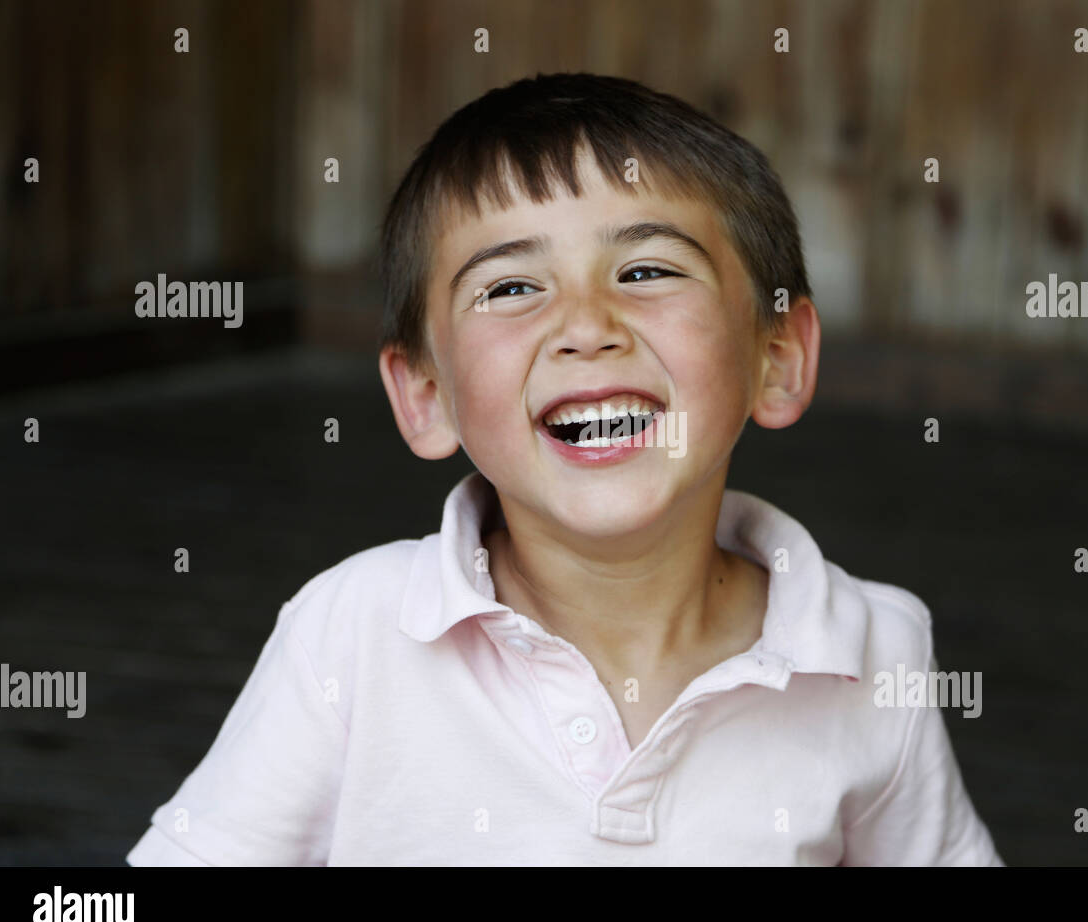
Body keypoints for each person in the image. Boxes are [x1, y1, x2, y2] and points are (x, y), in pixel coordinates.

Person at [127, 72, 1003, 865]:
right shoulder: (355, 633)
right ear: (426, 393)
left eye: (649, 269)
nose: (587, 324)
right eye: (510, 287)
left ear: (776, 357)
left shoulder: (869, 653)